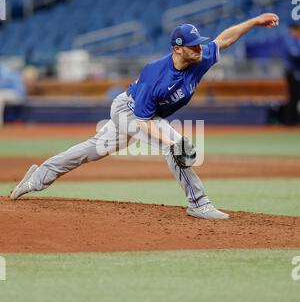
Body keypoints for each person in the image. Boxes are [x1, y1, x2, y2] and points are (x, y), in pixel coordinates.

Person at [10, 12, 279, 220]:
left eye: (199, 45)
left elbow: (224, 39)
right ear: (177, 49)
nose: (199, 49)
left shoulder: (201, 57)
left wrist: (254, 21)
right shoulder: (156, 75)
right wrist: (173, 144)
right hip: (128, 110)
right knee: (175, 146)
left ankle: (37, 177)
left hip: (144, 116)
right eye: (193, 46)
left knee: (91, 150)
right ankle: (199, 204)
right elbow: (143, 123)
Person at [283, 22, 300, 125]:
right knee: (293, 96)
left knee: (296, 97)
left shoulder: (297, 40)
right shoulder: (289, 40)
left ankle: (294, 120)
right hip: (292, 72)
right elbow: (295, 54)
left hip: (297, 71)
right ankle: (289, 122)